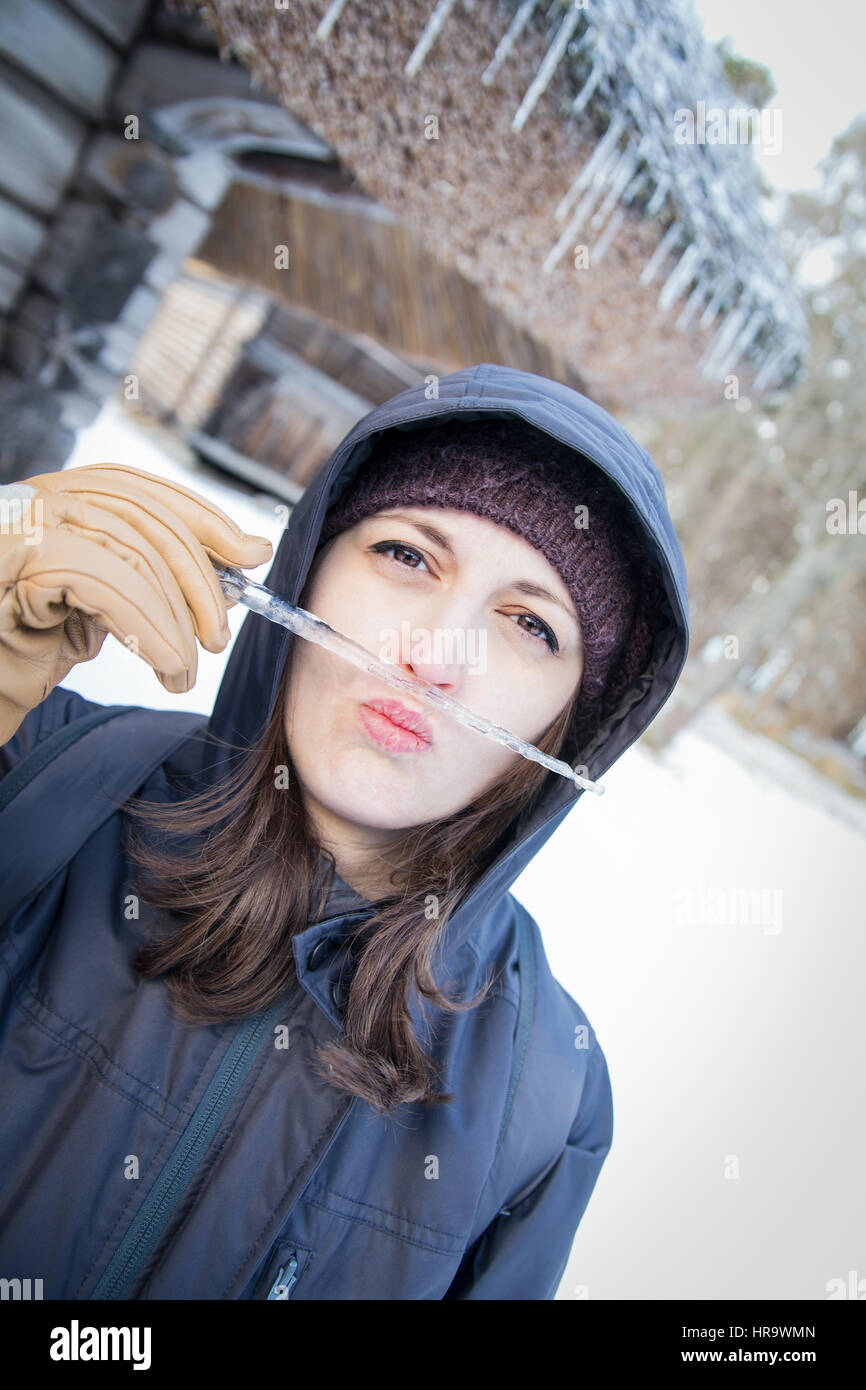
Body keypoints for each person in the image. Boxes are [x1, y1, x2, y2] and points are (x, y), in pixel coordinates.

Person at [0, 363, 689, 1300]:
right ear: (308, 564)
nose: (434, 659)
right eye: (407, 556)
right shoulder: (40, 772)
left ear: (575, 728)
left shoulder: (548, 1102)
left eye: (530, 623)